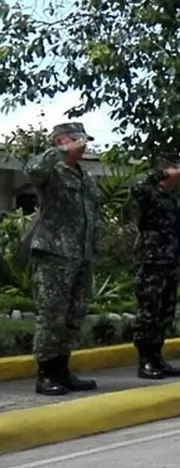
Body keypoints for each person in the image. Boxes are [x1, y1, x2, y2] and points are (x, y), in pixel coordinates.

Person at [23, 122, 100, 396]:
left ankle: (62, 369)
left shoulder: (84, 176)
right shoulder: (51, 171)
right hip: (54, 252)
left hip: (81, 255)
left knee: (73, 314)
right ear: (62, 141)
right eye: (78, 140)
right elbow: (32, 169)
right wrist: (58, 149)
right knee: (52, 314)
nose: (84, 145)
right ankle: (45, 373)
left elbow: (93, 215)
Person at [130, 158, 180, 379]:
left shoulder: (173, 200)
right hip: (151, 261)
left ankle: (157, 357)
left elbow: (176, 234)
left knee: (165, 312)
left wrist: (179, 263)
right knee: (149, 311)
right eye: (176, 166)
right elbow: (136, 187)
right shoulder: (149, 193)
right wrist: (160, 174)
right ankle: (145, 360)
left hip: (170, 261)